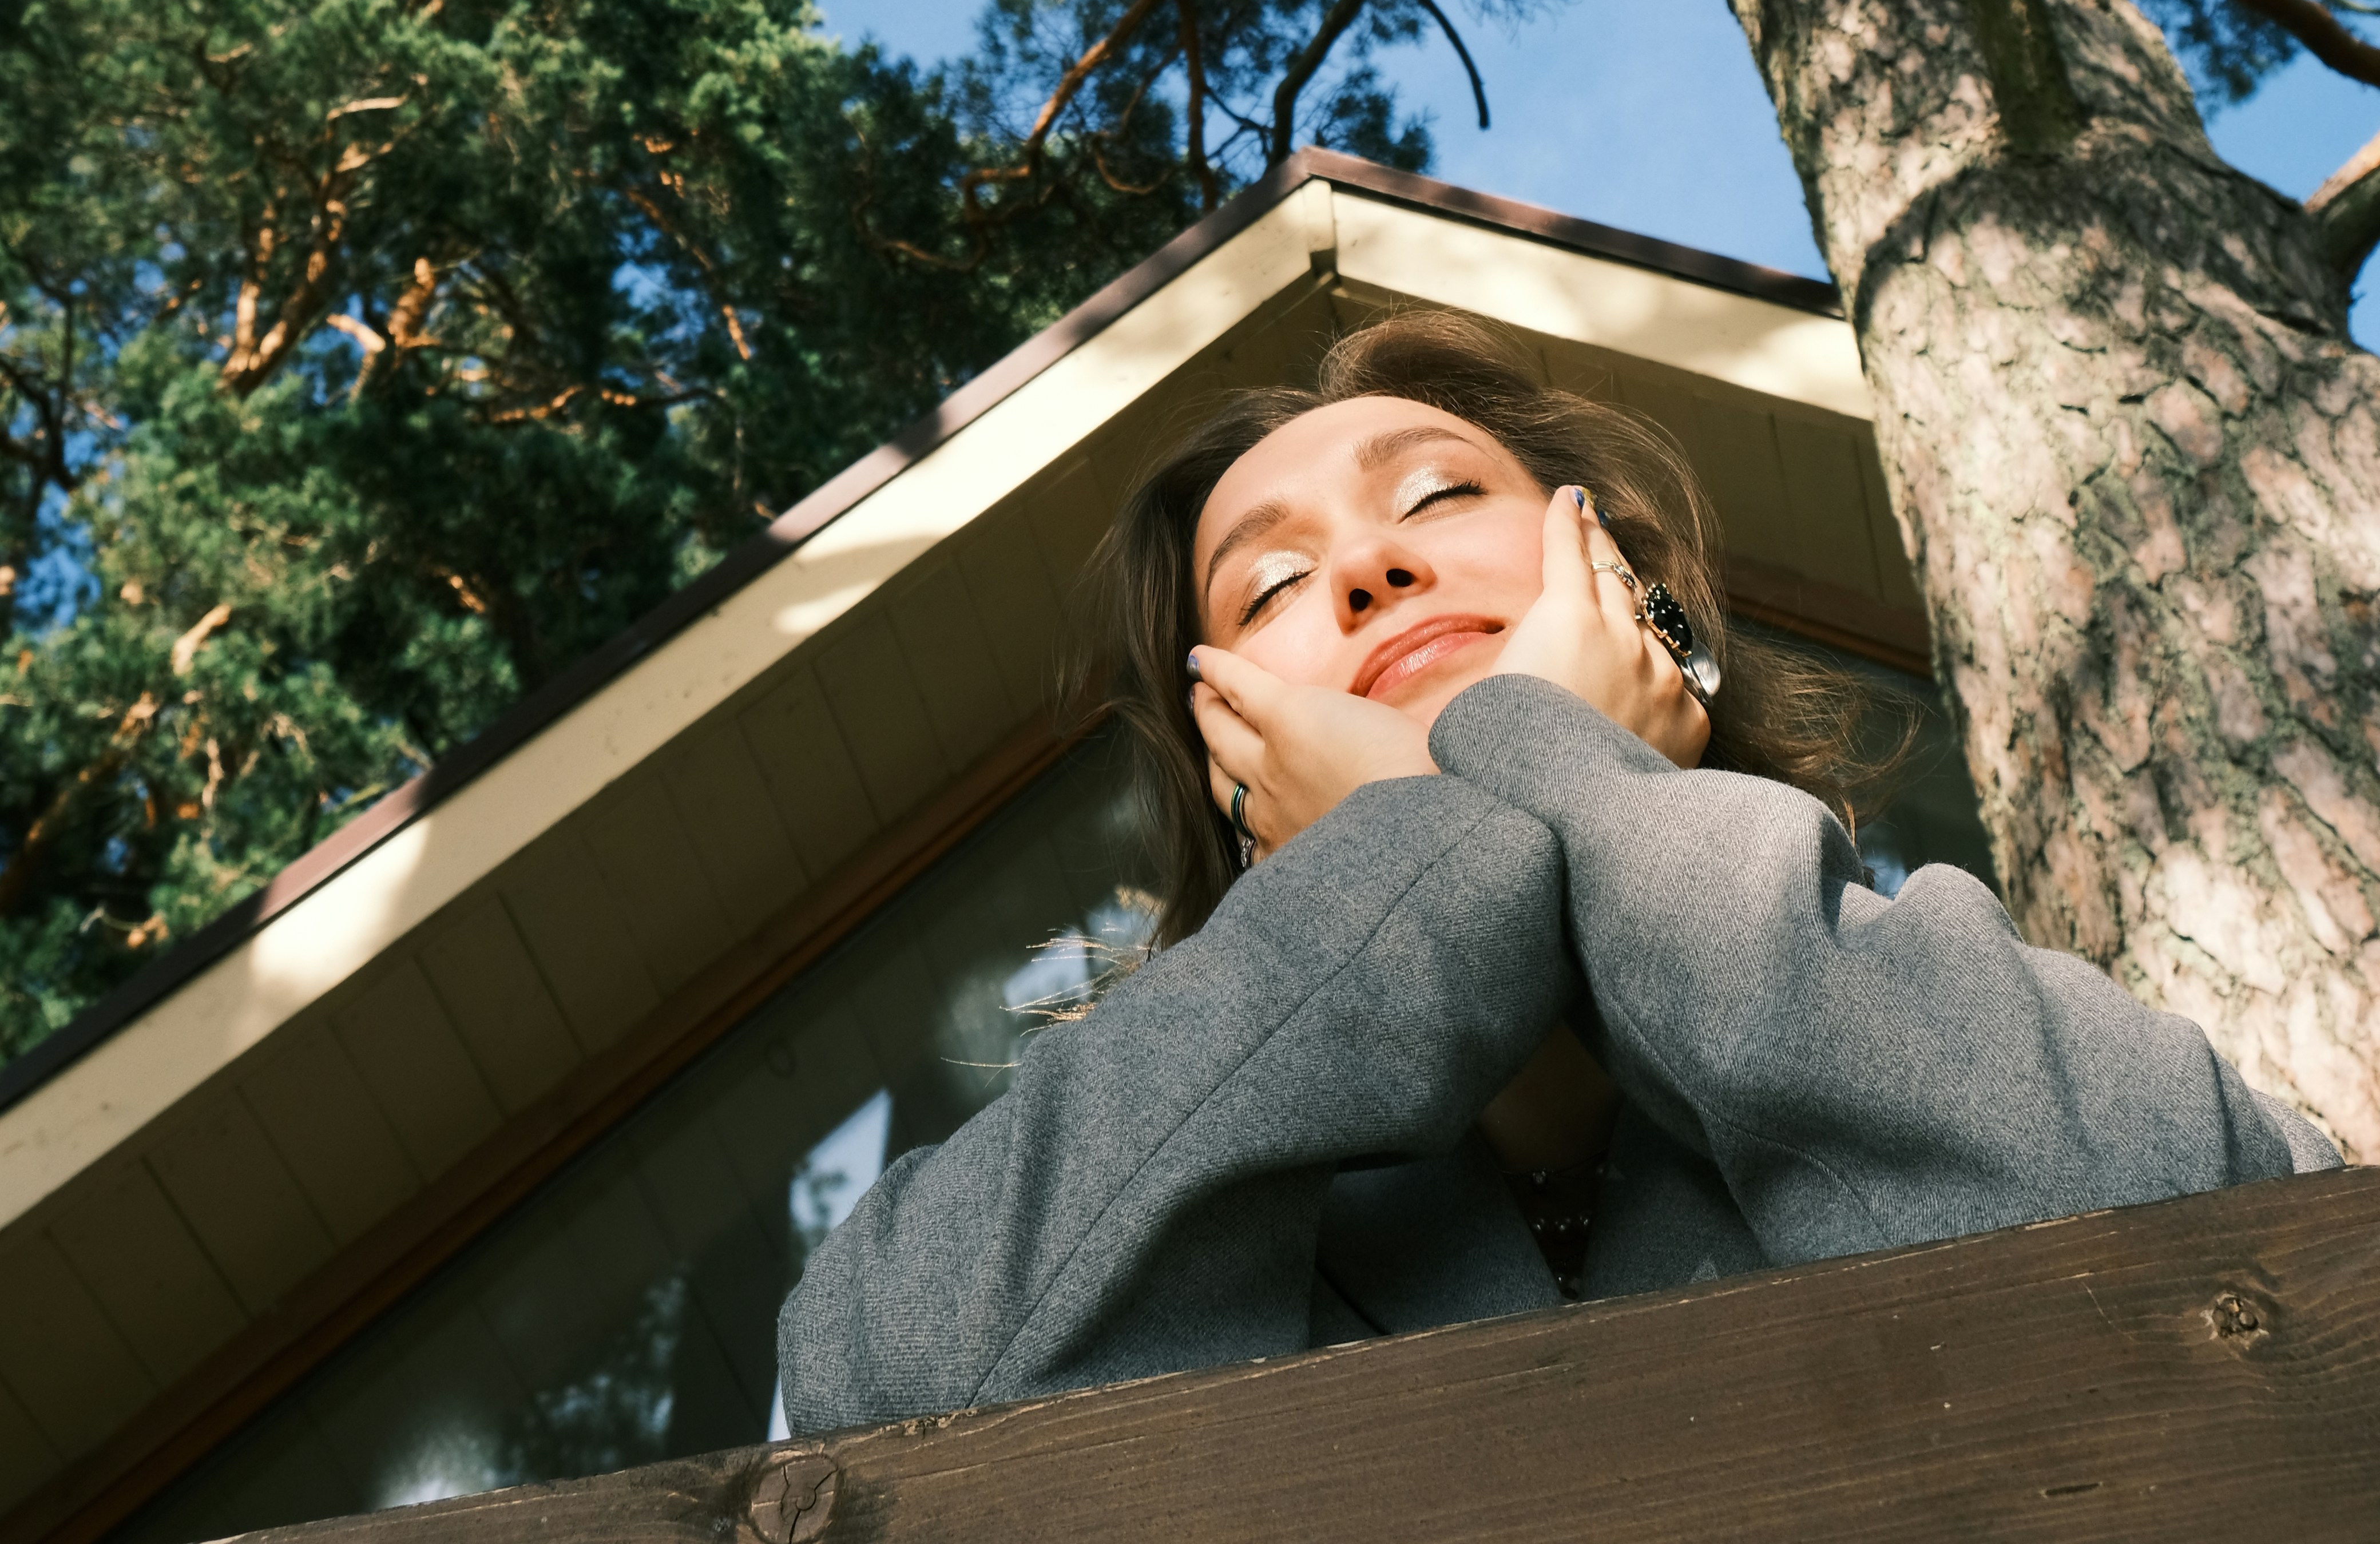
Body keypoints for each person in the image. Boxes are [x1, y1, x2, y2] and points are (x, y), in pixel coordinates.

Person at [776, 313, 2334, 1432]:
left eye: (1439, 498)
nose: (1372, 570)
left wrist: (1572, 776)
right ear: (1233, 764)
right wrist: (1416, 861)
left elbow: (2209, 1270)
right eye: (1272, 582)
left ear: (1634, 600)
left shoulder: (1939, 979)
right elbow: (900, 1401)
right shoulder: (1175, 1178)